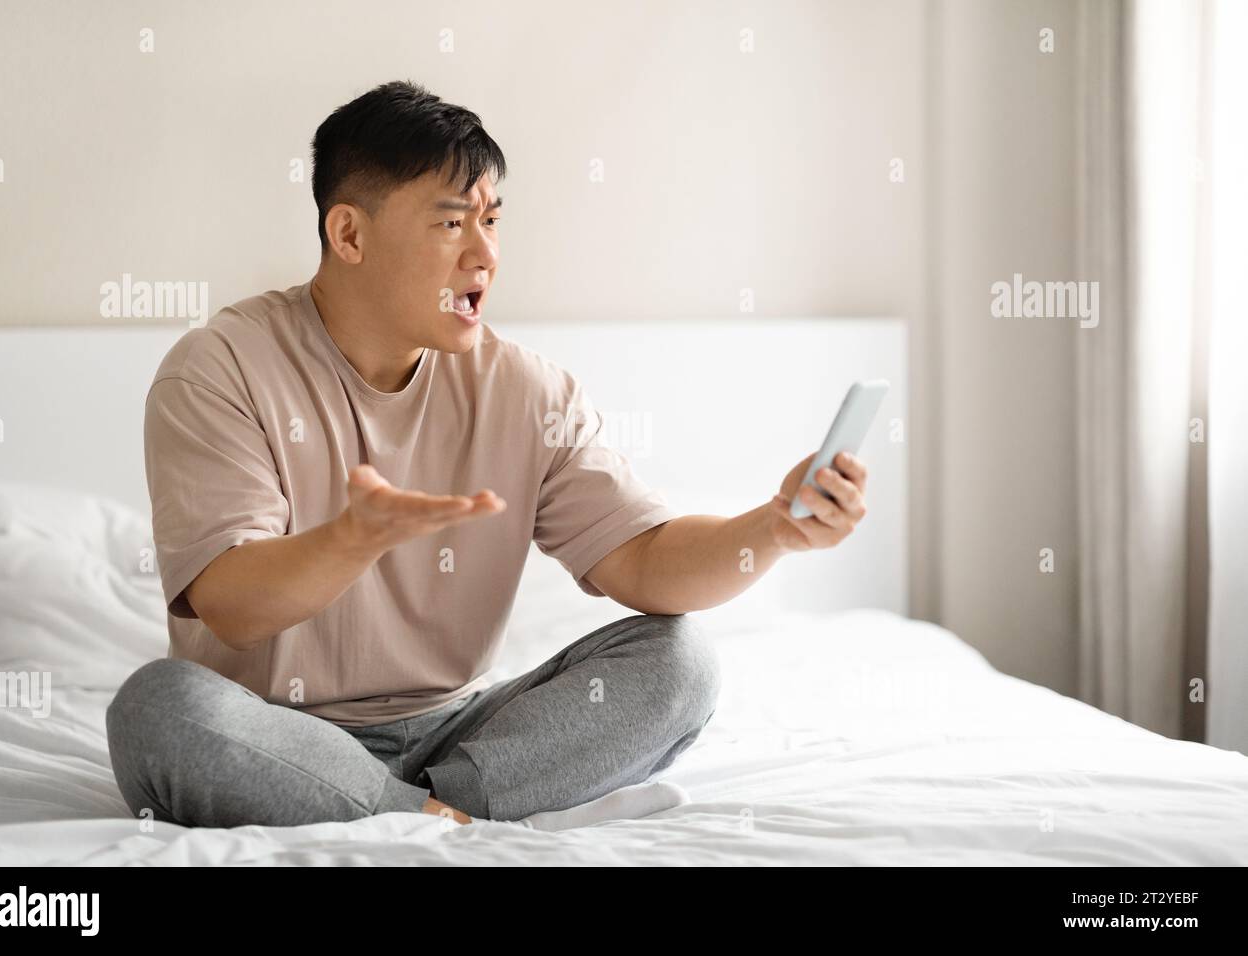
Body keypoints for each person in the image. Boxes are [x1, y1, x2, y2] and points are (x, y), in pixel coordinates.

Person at [106, 80, 869, 831]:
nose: (486, 254)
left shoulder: (526, 390)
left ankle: (422, 809)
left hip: (461, 734)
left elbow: (644, 563)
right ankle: (437, 815)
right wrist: (353, 539)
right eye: (451, 223)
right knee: (159, 708)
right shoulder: (220, 369)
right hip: (273, 736)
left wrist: (774, 527)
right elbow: (232, 608)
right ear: (349, 236)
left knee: (682, 660)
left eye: (493, 220)